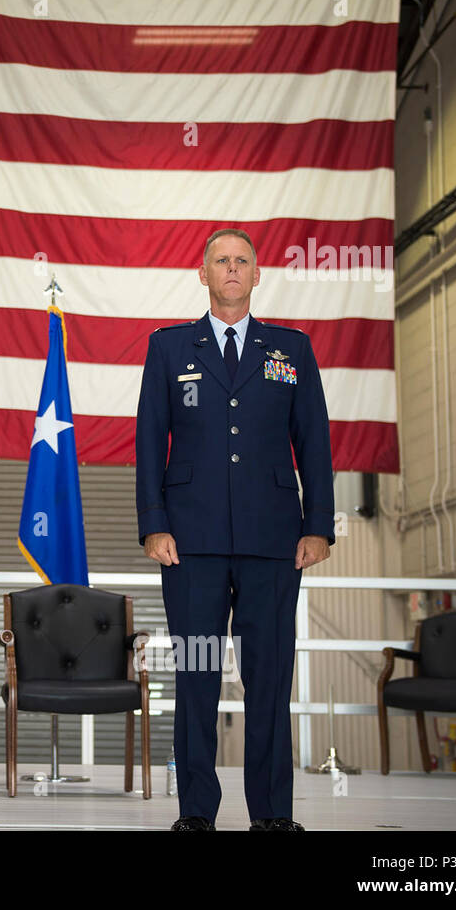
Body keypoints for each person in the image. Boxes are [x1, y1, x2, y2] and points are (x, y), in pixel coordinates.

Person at [135, 228, 334, 832]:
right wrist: (153, 524)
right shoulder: (169, 347)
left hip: (273, 540)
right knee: (195, 674)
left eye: (240, 261)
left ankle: (272, 815)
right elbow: (148, 441)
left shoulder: (292, 349)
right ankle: (196, 811)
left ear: (256, 274)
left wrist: (318, 525)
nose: (230, 270)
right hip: (189, 542)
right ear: (203, 274)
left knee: (269, 679)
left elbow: (315, 444)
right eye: (219, 261)